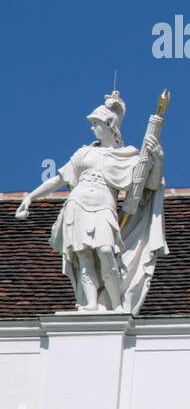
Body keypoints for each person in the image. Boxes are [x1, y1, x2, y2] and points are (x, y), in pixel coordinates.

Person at [15, 92, 166, 312]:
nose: (92, 128)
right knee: (84, 256)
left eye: (96, 123)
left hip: (104, 206)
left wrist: (158, 158)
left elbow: (150, 184)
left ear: (109, 125)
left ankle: (116, 307)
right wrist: (30, 197)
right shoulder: (84, 153)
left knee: (106, 250)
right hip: (77, 205)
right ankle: (92, 304)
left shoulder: (127, 156)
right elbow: (58, 179)